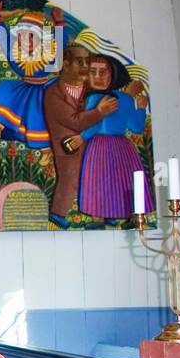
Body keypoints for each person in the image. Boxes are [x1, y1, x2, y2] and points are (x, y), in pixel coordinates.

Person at [42, 42, 118, 227]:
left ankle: (106, 211)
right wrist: (99, 112)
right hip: (68, 145)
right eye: (79, 62)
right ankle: (58, 214)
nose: (85, 67)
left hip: (94, 143)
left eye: (87, 62)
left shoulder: (91, 89)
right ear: (66, 64)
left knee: (99, 177)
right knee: (70, 179)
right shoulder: (54, 94)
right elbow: (74, 121)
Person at [77, 55, 152, 222]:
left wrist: (80, 137)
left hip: (100, 146)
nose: (97, 77)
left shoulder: (95, 99)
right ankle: (130, 217)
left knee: (100, 181)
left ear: (113, 75)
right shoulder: (125, 98)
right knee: (122, 180)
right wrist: (141, 108)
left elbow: (93, 125)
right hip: (123, 147)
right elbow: (137, 127)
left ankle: (100, 218)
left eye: (103, 72)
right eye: (93, 72)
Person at [0, 10, 56, 150]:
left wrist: (60, 24)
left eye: (31, 37)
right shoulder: (15, 53)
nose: (26, 41)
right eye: (22, 36)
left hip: (42, 89)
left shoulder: (49, 54)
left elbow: (61, 41)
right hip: (23, 86)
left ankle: (44, 147)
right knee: (5, 87)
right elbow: (4, 38)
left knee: (37, 113)